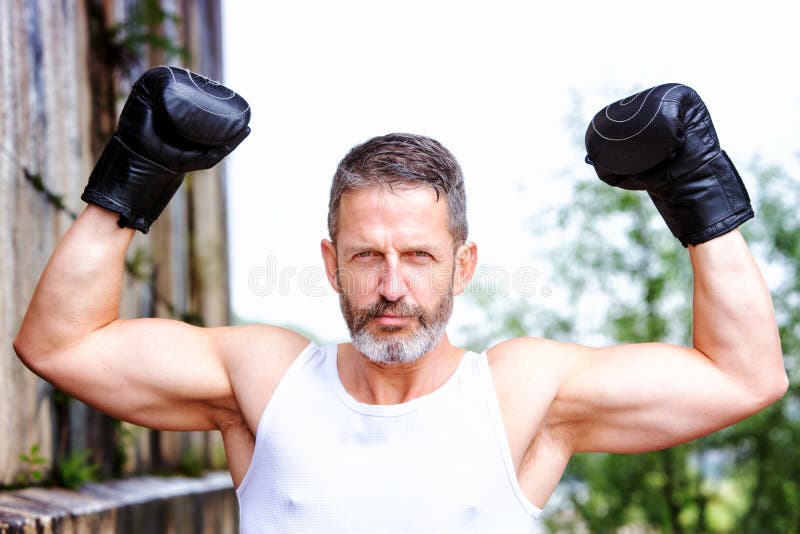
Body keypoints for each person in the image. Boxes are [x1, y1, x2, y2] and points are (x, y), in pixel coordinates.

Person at [13, 67, 788, 533]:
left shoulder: (519, 395)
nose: (391, 287)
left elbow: (744, 376)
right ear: (330, 264)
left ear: (463, 265)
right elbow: (61, 345)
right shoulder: (267, 380)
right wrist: (138, 170)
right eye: (366, 257)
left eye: (418, 256)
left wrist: (696, 190)